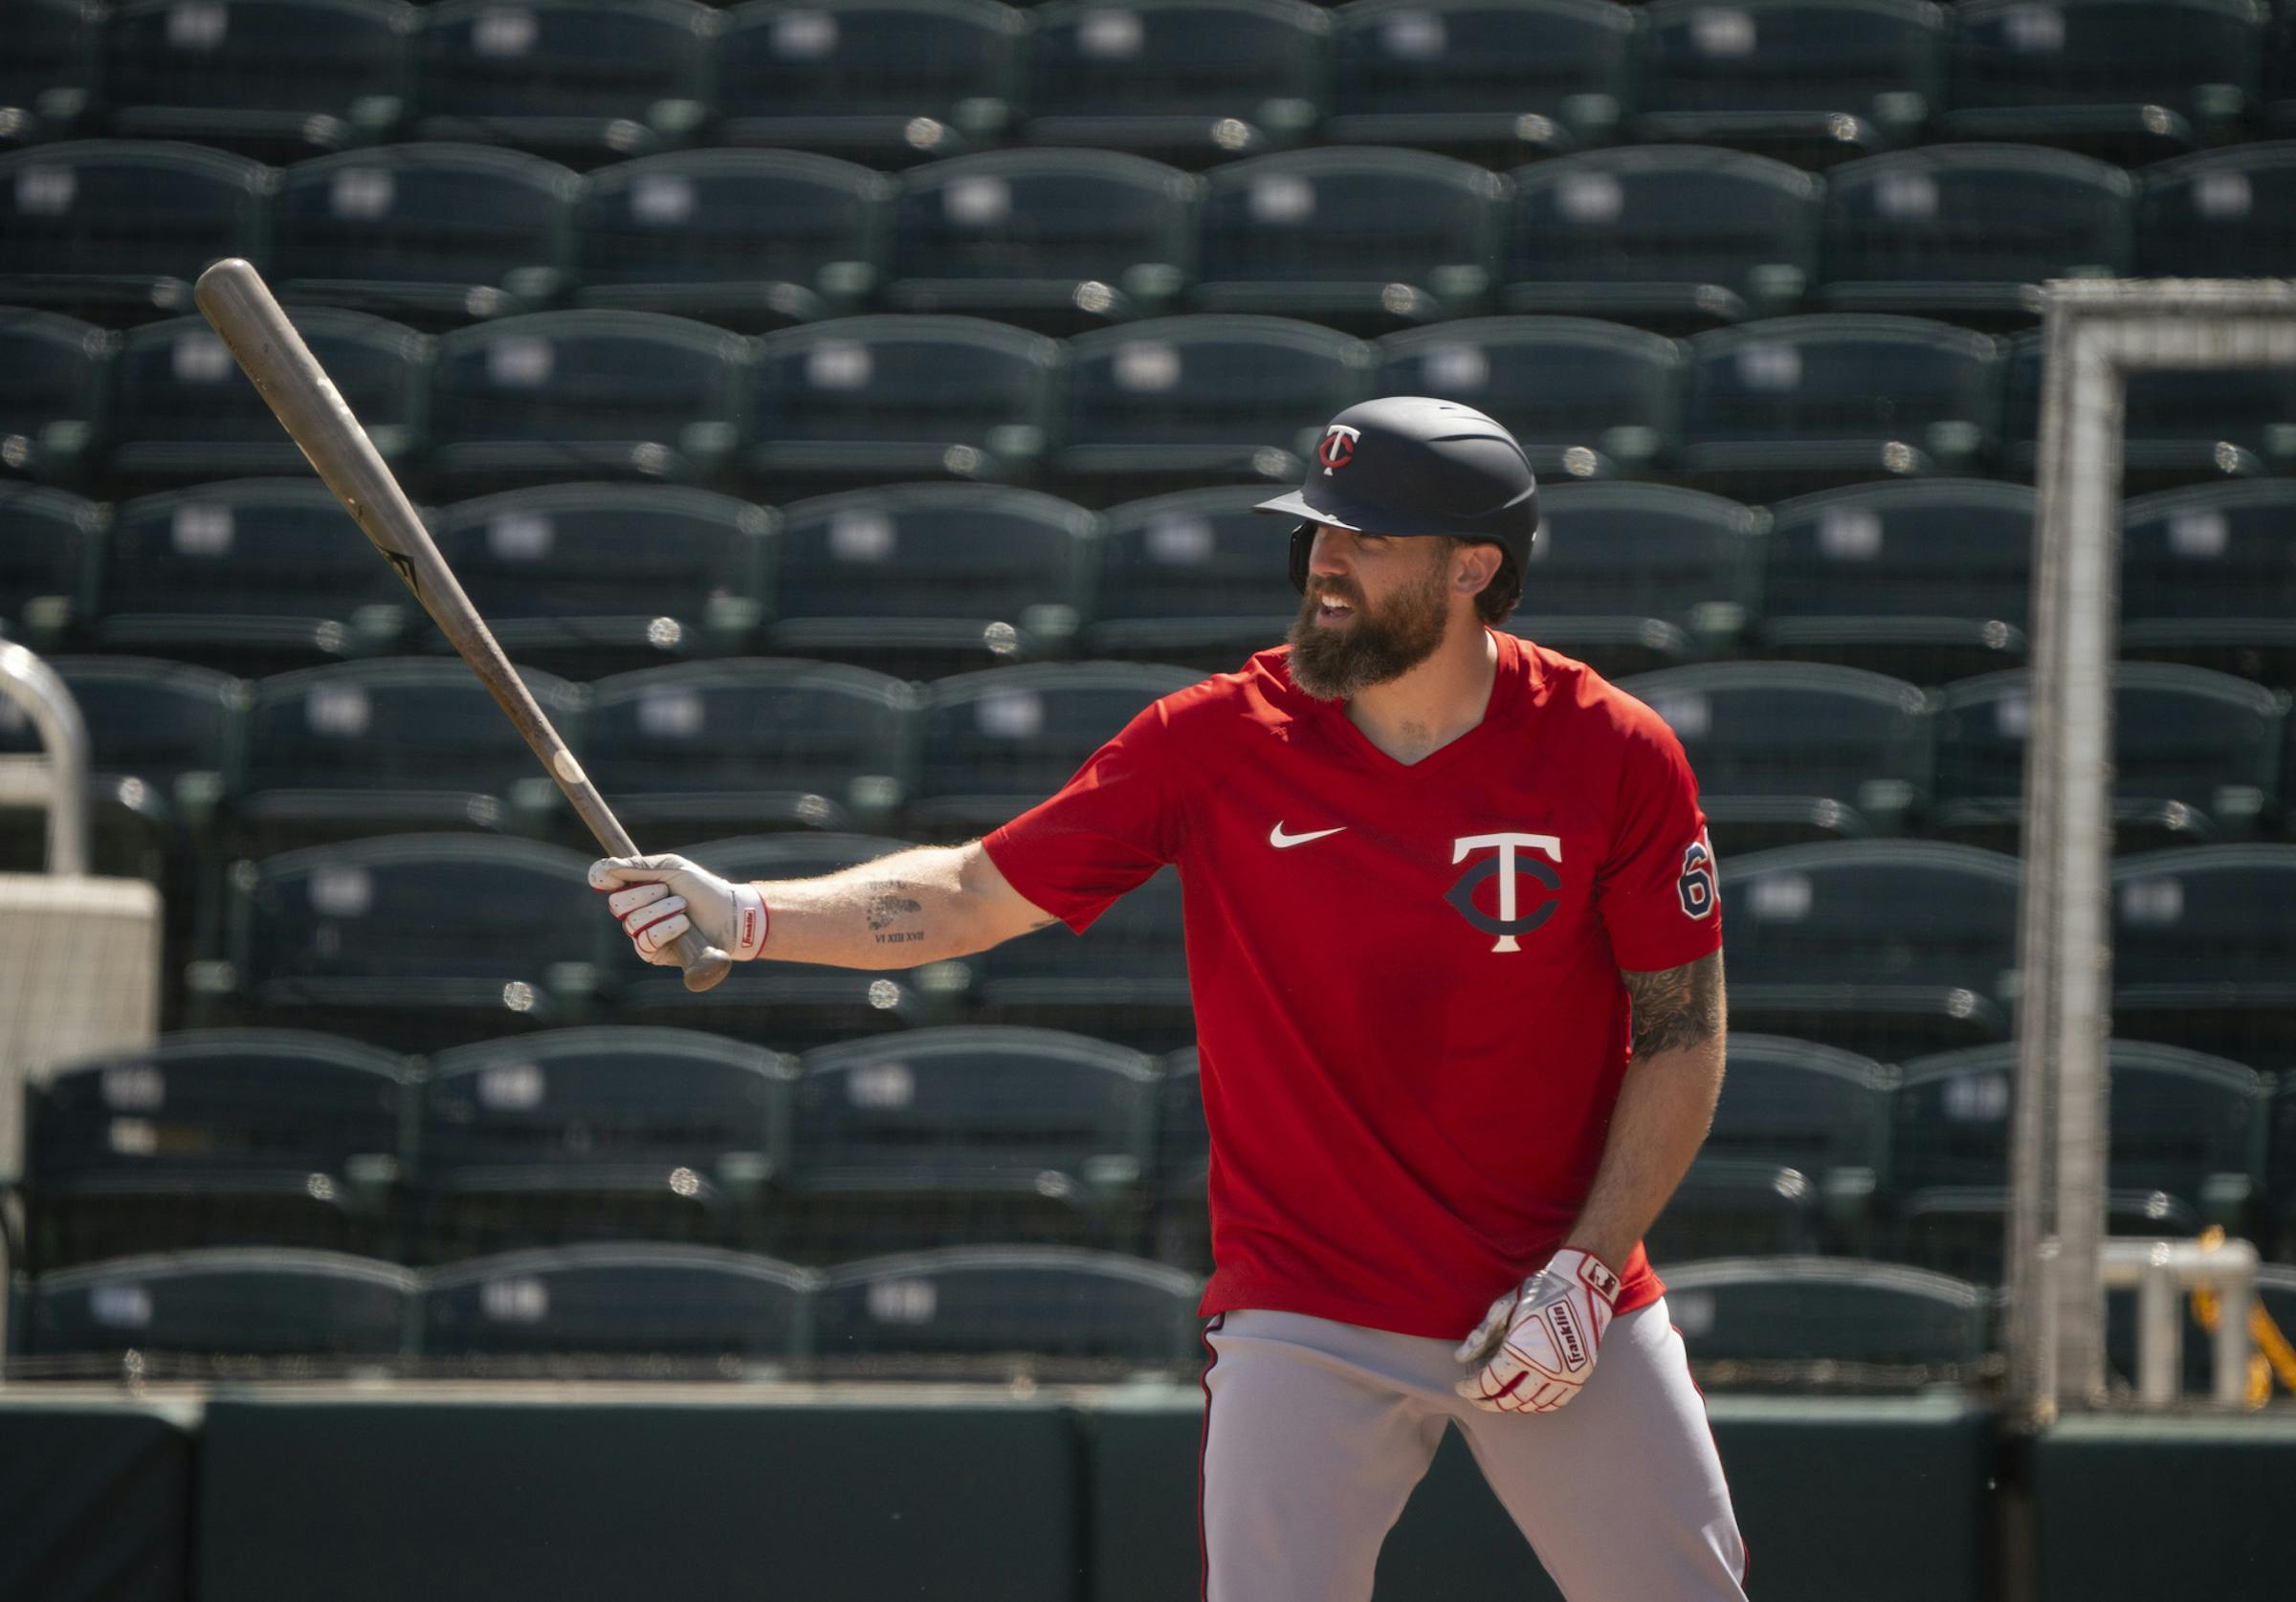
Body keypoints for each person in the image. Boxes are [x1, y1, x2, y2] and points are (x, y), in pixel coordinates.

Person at [590, 397, 1750, 1601]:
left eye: (1364, 538)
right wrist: (745, 914)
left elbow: (1683, 1035)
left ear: (1474, 567)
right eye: (1317, 534)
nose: (1324, 564)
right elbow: (970, 895)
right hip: (1305, 1310)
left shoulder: (1617, 751)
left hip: (1558, 1298)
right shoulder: (1211, 739)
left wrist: (1587, 1271)